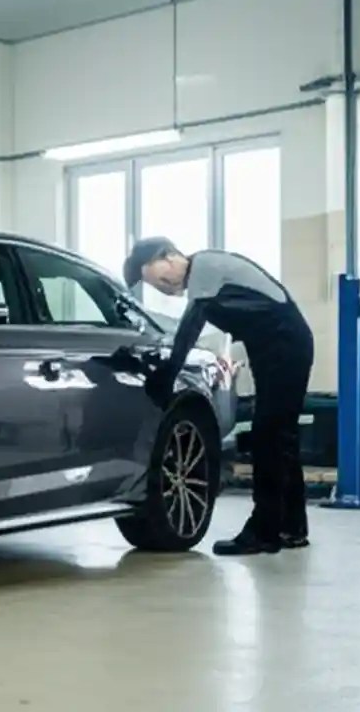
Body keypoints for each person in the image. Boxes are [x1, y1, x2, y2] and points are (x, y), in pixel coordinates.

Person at [123, 238, 313, 556]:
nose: (164, 288)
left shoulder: (206, 266)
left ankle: (264, 532)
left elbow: (191, 324)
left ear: (169, 257)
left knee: (268, 435)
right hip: (278, 346)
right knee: (281, 437)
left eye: (159, 279)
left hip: (285, 343)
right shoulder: (207, 279)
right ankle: (291, 526)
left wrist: (168, 375)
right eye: (156, 287)